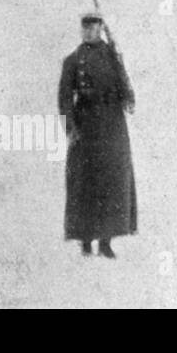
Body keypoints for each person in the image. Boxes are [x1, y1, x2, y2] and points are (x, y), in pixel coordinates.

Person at [59, 13, 137, 258]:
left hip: (113, 124)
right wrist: (71, 127)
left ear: (101, 29)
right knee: (84, 181)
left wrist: (128, 96)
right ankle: (85, 240)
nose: (89, 32)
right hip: (87, 124)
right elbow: (64, 99)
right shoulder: (73, 60)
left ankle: (106, 241)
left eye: (94, 28)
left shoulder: (113, 56)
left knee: (113, 180)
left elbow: (125, 88)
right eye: (86, 28)